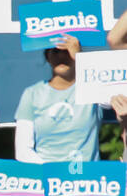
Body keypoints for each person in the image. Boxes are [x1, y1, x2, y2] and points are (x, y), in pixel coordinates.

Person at [15, 34, 102, 165]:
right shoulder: (32, 94)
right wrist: (52, 172)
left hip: (88, 175)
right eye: (55, 51)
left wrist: (80, 59)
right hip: (45, 174)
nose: (61, 56)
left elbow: (111, 99)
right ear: (47, 56)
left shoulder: (92, 88)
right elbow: (23, 151)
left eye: (66, 51)